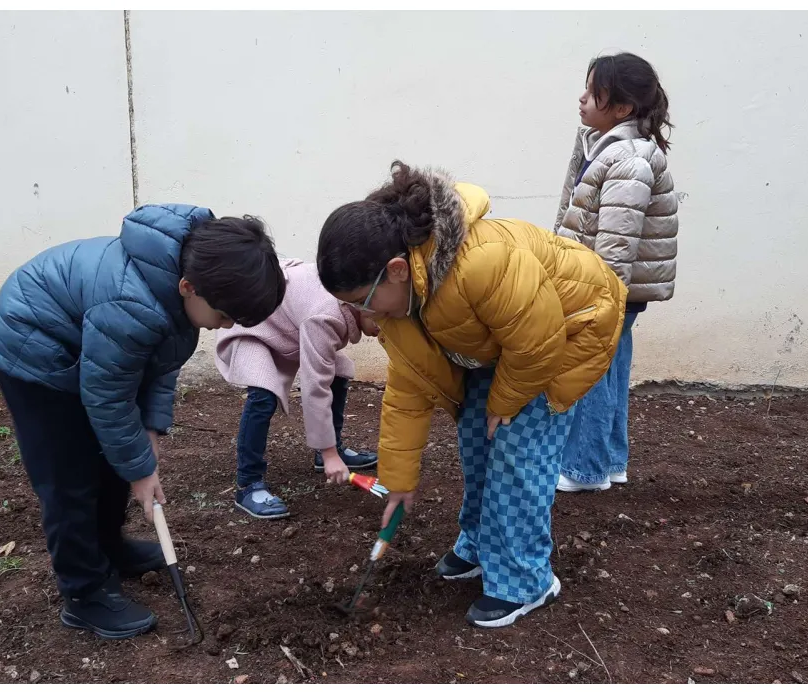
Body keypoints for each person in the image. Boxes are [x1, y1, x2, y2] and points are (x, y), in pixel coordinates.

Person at [316, 162, 624, 628]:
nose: (360, 314)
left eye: (362, 300)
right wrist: (398, 482)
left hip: (569, 329)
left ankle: (526, 581)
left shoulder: (481, 263)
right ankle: (481, 545)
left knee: (518, 457)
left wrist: (504, 404)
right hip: (501, 345)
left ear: (397, 270)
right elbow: (408, 389)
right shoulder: (402, 305)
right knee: (477, 445)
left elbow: (537, 342)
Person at [0, 205, 285, 639]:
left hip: (88, 352)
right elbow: (107, 396)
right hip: (33, 348)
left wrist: (152, 430)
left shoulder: (181, 286)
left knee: (110, 456)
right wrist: (141, 471)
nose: (227, 325)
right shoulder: (133, 303)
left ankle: (109, 547)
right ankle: (84, 593)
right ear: (188, 287)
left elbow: (160, 364)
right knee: (69, 476)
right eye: (224, 316)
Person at [553, 52, 679, 492]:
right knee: (612, 368)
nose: (583, 98)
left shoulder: (629, 158)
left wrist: (599, 299)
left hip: (607, 288)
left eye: (595, 93)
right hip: (606, 286)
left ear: (622, 108)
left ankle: (585, 469)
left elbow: (617, 241)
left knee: (592, 371)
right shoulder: (600, 142)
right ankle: (610, 462)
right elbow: (574, 209)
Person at [215, 257, 380, 520]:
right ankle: (248, 484)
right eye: (385, 319)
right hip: (251, 326)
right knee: (263, 394)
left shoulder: (347, 294)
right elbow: (314, 385)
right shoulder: (326, 314)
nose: (387, 327)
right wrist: (329, 456)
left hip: (283, 326)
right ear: (365, 303)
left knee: (339, 370)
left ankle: (331, 449)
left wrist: (330, 452)